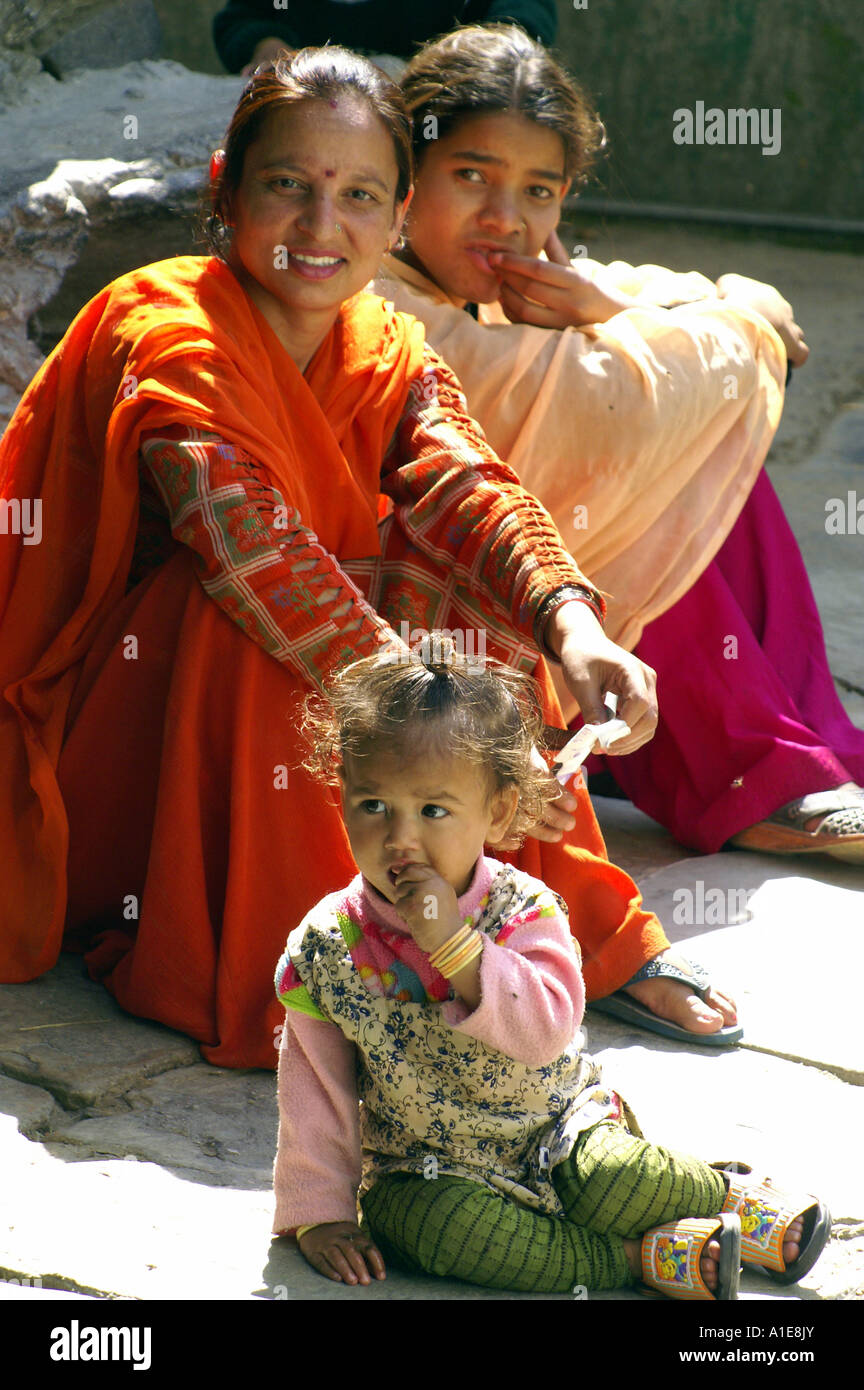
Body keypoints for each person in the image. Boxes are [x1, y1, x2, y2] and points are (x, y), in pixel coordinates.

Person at [0, 47, 715, 1069]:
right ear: (224, 192)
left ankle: (568, 934)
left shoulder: (380, 339)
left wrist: (575, 625)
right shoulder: (165, 327)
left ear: (396, 213)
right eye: (288, 186)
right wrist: (472, 746)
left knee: (467, 593)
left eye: (359, 196)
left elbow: (466, 482)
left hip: (304, 695)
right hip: (119, 744)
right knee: (240, 626)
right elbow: (255, 555)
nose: (320, 228)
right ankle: (304, 971)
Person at [370, 22, 864, 871]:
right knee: (642, 456)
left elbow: (690, 308)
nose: (506, 217)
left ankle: (802, 741)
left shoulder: (508, 287)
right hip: (412, 610)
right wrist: (735, 325)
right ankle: (749, 776)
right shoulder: (380, 293)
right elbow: (618, 402)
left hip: (515, 612)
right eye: (471, 176)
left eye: (539, 191)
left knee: (694, 433)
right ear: (405, 176)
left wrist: (606, 309)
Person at [273, 637, 830, 1297]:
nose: (400, 837)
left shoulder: (523, 909)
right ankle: (635, 1257)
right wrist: (321, 1215)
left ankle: (724, 1196)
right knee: (433, 1231)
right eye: (373, 806)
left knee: (615, 1179)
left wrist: (456, 948)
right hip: (429, 1167)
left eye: (433, 811)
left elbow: (545, 1032)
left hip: (558, 1130)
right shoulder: (324, 947)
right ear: (341, 794)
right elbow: (315, 1093)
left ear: (497, 811)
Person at [211, 1, 557, 77]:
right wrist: (267, 47)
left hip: (434, 114)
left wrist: (463, 63)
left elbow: (525, 20)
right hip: (311, 108)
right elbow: (242, 17)